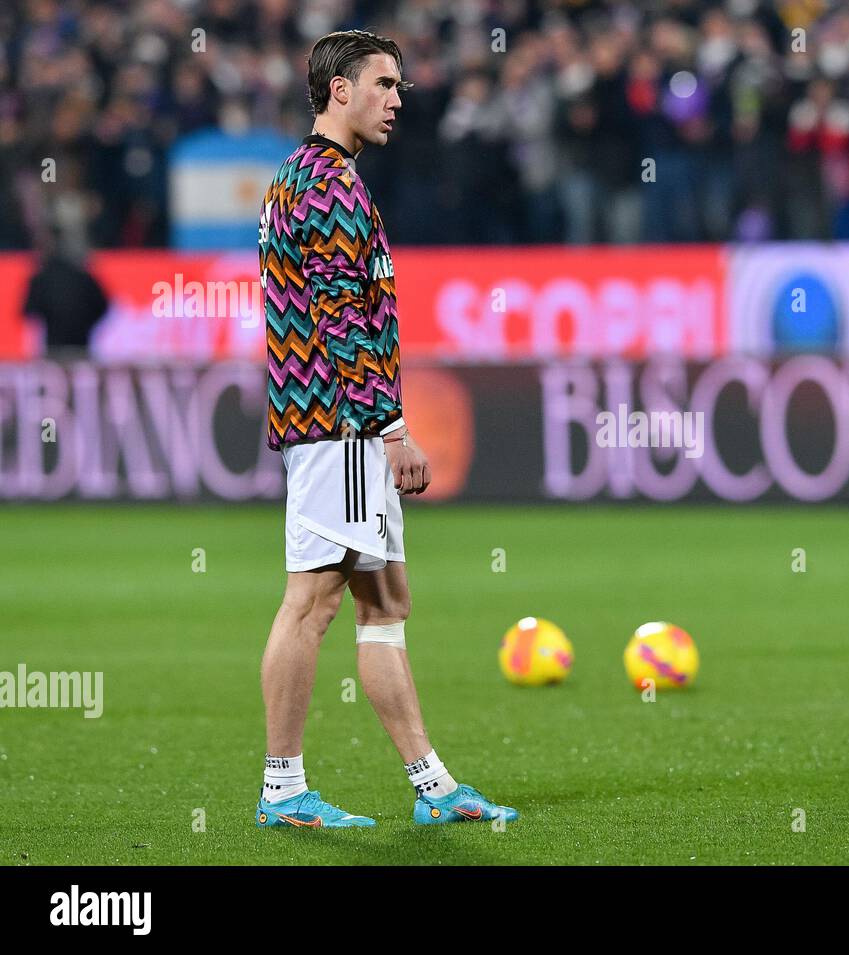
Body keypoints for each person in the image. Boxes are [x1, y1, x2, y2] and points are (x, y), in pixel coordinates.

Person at [255, 29, 517, 829]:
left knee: (386, 600)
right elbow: (341, 316)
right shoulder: (327, 185)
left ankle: (432, 787)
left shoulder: (299, 179)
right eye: (385, 84)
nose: (398, 99)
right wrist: (393, 425)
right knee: (312, 603)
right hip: (342, 425)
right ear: (340, 90)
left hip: (337, 420)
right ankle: (283, 788)